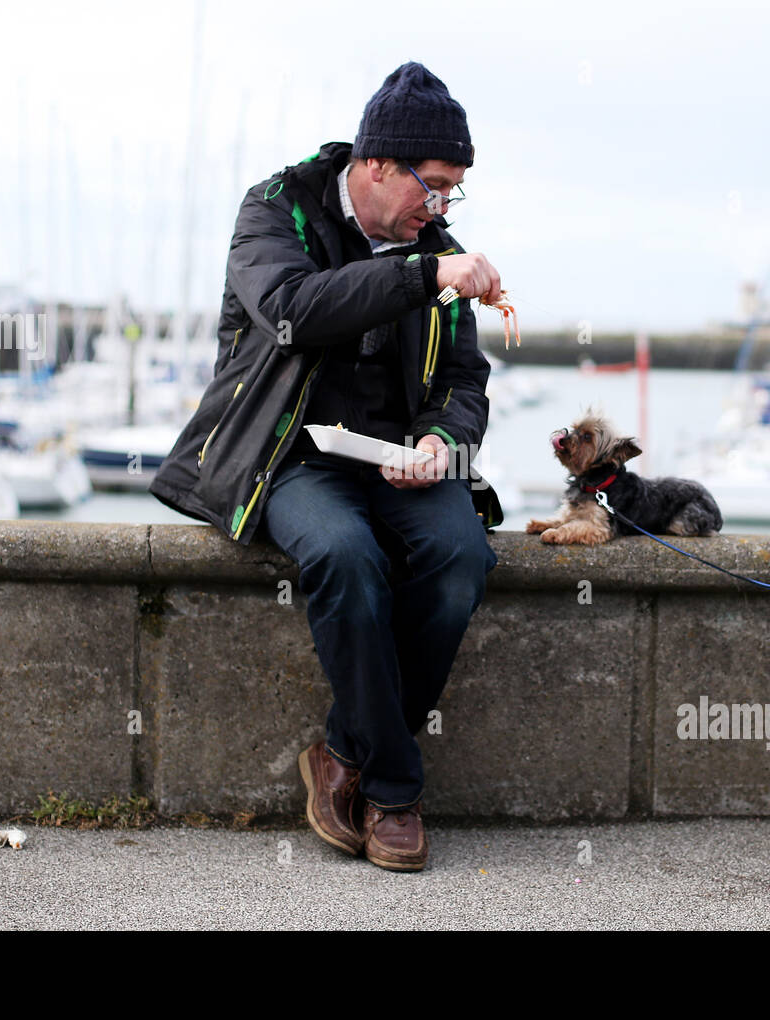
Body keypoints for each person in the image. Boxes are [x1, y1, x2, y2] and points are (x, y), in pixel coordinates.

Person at [150, 62, 504, 872]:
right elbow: (290, 313)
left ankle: (343, 753)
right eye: (435, 184)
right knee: (344, 555)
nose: (442, 207)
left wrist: (441, 443)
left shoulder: (432, 247)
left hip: (401, 462)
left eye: (454, 191)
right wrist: (422, 275)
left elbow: (462, 380)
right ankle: (395, 791)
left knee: (461, 558)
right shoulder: (277, 210)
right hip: (291, 455)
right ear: (378, 165)